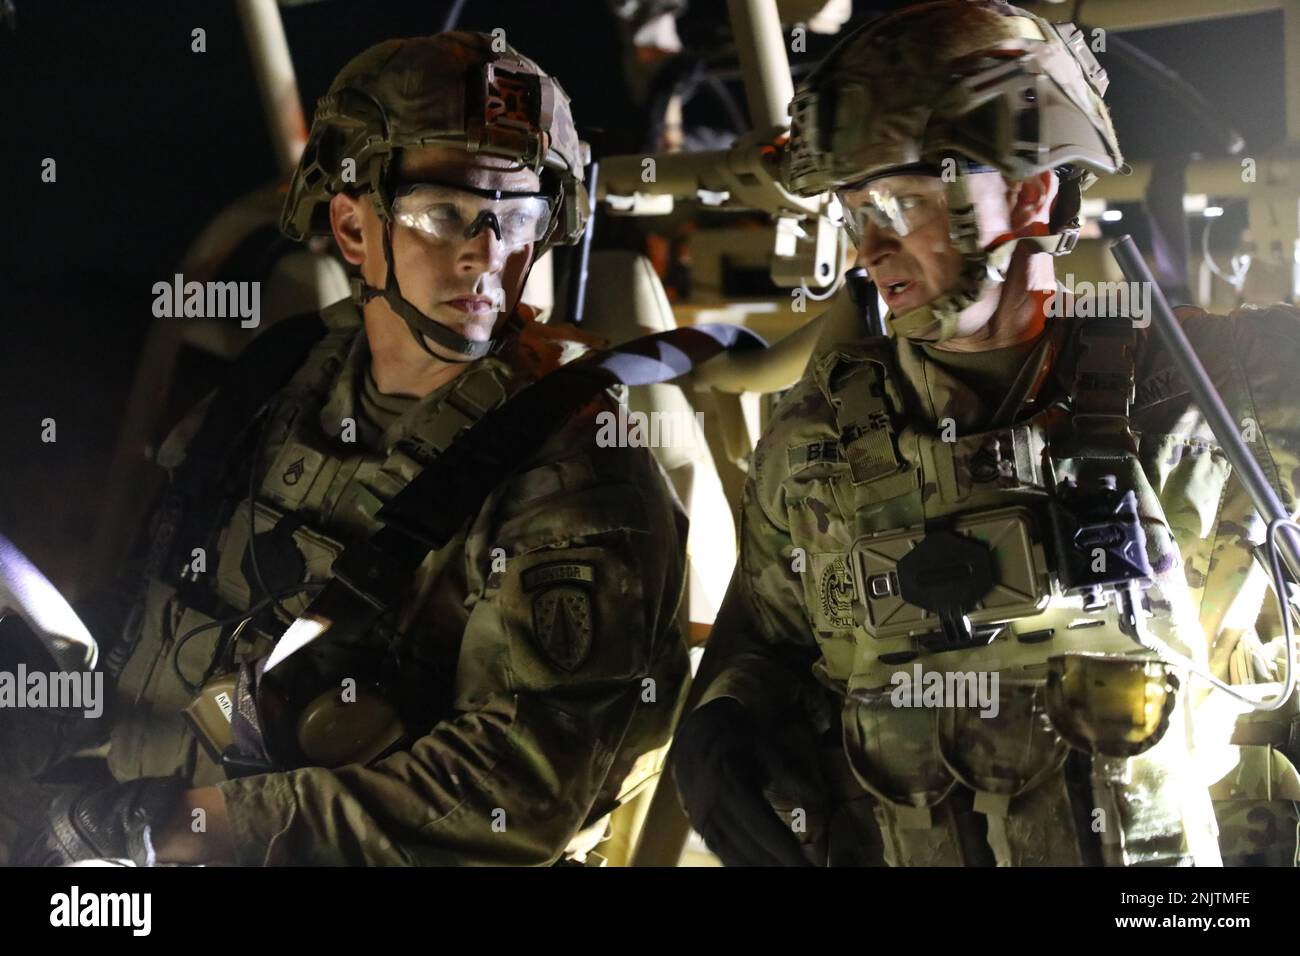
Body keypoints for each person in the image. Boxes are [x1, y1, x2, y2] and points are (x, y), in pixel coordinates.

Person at [4, 31, 690, 866]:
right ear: (353, 228)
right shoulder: (278, 378)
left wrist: (170, 830)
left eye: (517, 217)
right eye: (445, 213)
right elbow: (149, 609)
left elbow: (517, 790)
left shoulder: (574, 467)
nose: (487, 255)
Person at [671, 0, 1300, 867]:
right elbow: (779, 641)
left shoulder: (1220, 392)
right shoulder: (812, 442)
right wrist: (727, 724)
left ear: (1035, 189)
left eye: (901, 200)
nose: (872, 249)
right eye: (856, 211)